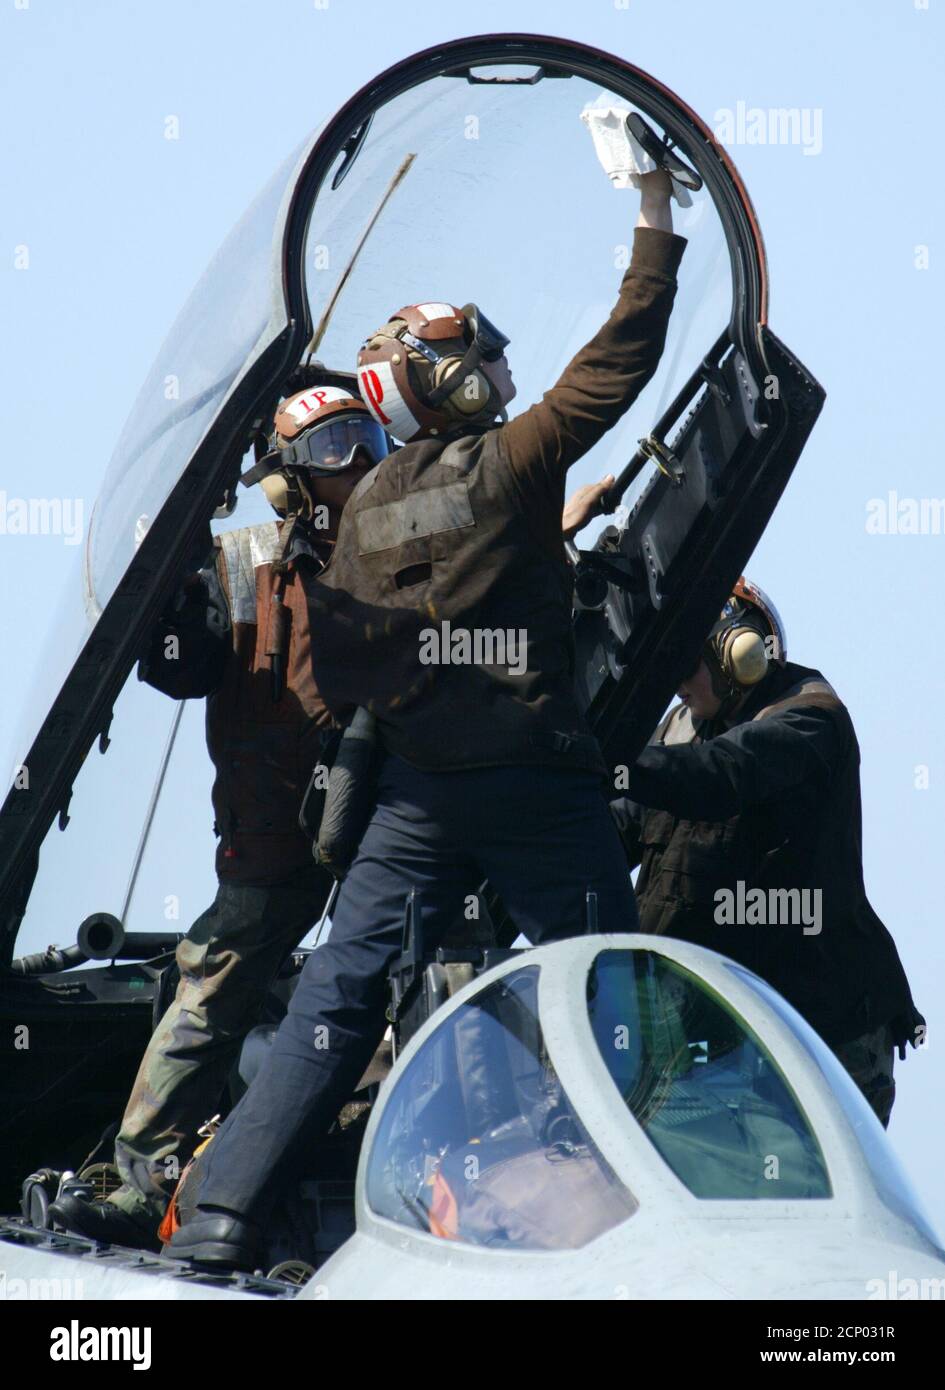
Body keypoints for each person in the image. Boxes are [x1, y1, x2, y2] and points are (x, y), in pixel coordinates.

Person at [167, 169, 687, 1269]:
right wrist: (653, 215)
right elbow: (620, 361)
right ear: (442, 380)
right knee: (611, 979)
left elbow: (351, 671)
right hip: (539, 790)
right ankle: (644, 1214)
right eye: (480, 355)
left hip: (414, 793)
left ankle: (216, 1220)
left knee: (334, 996)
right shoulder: (509, 467)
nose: (501, 369)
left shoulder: (359, 520)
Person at [50, 386, 390, 1247]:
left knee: (440, 979)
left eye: (363, 435)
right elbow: (182, 664)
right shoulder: (244, 568)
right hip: (276, 833)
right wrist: (171, 574)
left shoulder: (415, 553)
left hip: (395, 828)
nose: (354, 458)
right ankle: (142, 1185)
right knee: (209, 992)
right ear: (288, 483)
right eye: (330, 445)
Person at [605, 576, 924, 1126]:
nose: (676, 681)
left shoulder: (810, 718)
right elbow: (615, 832)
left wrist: (611, 761)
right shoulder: (682, 731)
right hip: (725, 1039)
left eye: (687, 663)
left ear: (737, 654)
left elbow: (724, 774)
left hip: (821, 1038)